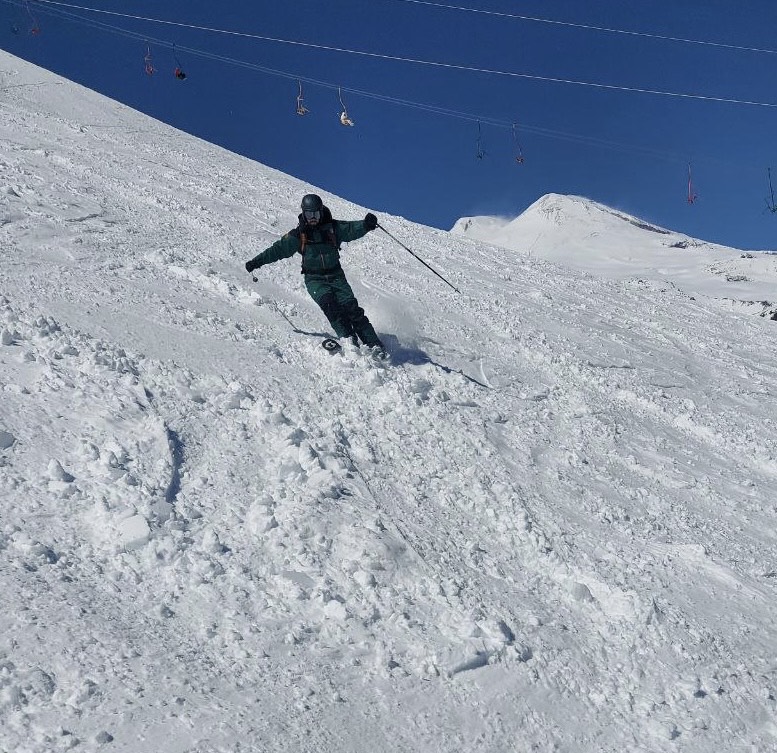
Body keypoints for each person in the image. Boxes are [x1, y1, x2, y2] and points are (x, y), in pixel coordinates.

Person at [245, 194, 387, 358]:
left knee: (352, 309)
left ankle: (374, 344)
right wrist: (256, 262)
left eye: (316, 214)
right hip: (314, 279)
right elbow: (277, 250)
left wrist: (366, 225)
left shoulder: (332, 228)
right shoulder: (299, 235)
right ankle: (350, 342)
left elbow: (351, 229)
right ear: (303, 214)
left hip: (336, 275)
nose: (312, 218)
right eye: (308, 215)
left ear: (321, 212)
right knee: (330, 307)